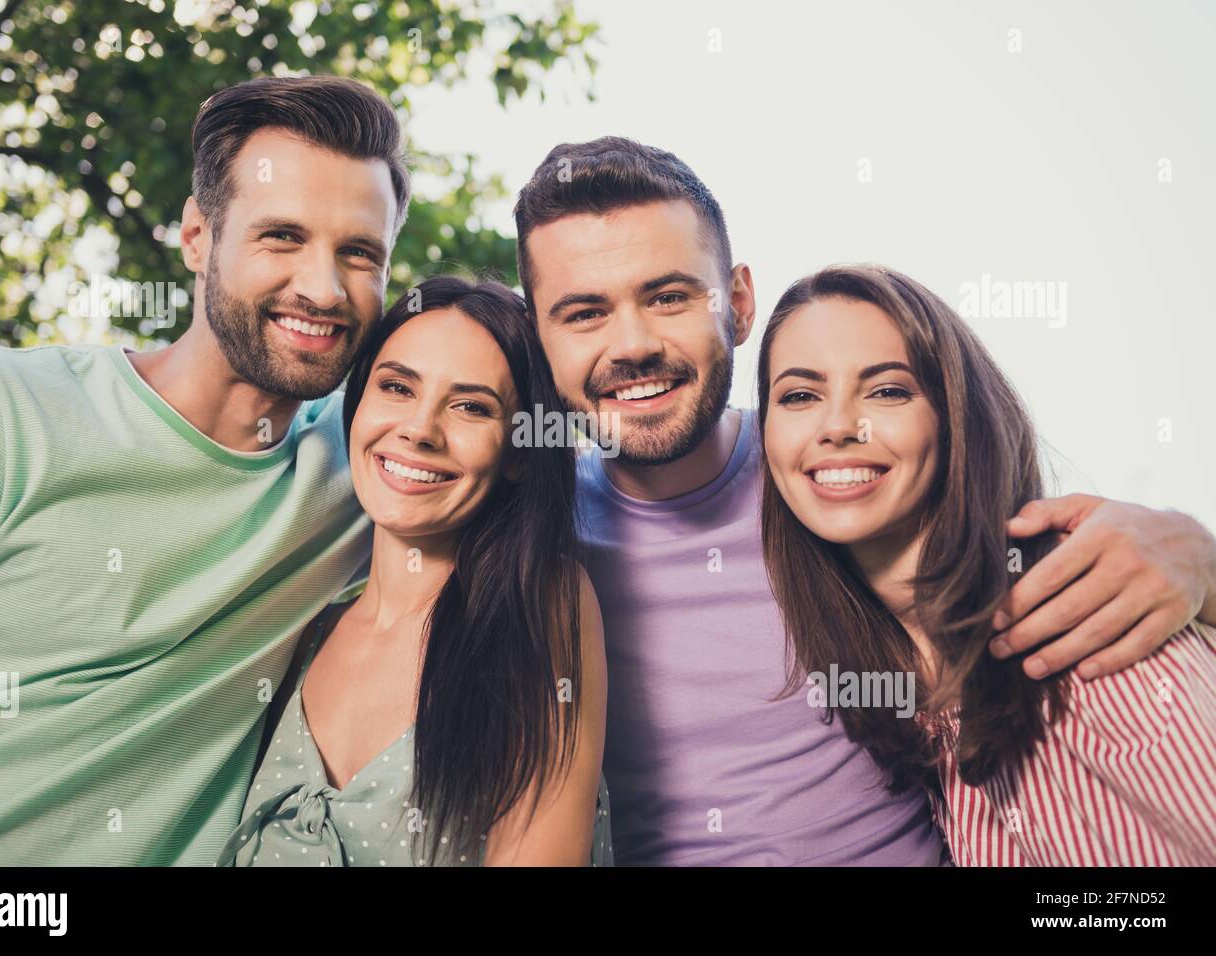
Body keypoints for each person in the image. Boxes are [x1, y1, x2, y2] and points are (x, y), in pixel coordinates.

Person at [511, 136, 1216, 865]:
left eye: (667, 297)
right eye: (584, 313)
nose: (633, 344)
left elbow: (1012, 554)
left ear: (739, 301)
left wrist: (1198, 556)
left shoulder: (836, 480)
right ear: (538, 335)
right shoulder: (528, 543)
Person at [0, 76, 408, 864]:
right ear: (196, 237)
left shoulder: (372, 471)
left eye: (359, 253)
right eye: (282, 236)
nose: (322, 287)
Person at [756, 264, 1216, 865]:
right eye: (799, 396)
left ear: (955, 420)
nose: (840, 426)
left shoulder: (1083, 614)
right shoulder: (908, 685)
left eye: (888, 390)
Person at [217, 276, 611, 867]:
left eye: (471, 407)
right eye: (397, 387)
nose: (420, 430)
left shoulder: (543, 600)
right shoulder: (306, 635)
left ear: (520, 454)